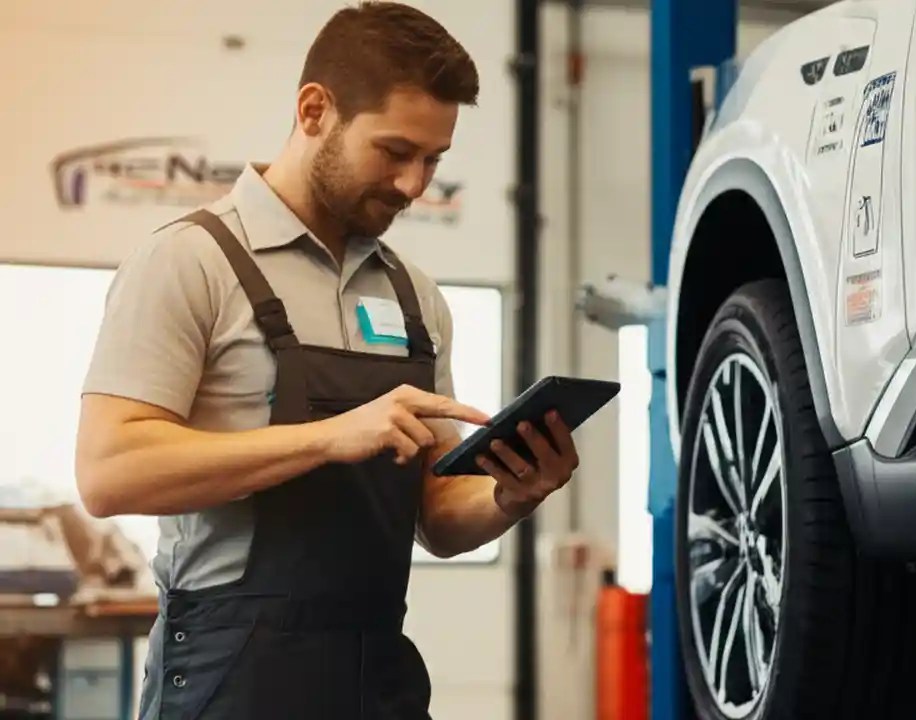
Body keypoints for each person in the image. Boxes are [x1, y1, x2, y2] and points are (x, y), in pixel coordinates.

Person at [73, 3, 579, 718]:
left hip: (378, 674)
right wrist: (327, 437)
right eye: (396, 151)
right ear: (315, 111)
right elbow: (108, 472)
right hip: (231, 674)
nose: (413, 185)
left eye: (433, 160)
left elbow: (436, 515)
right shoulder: (191, 262)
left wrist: (509, 495)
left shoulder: (415, 299)